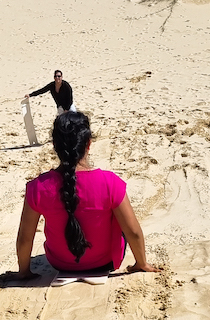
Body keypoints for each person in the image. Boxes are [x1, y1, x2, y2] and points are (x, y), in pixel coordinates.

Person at [12, 112, 158, 286]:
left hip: (59, 263)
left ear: (55, 146)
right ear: (88, 144)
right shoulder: (110, 182)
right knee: (120, 223)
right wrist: (141, 264)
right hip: (104, 263)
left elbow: (24, 239)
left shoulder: (37, 187)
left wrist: (24, 272)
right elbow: (133, 232)